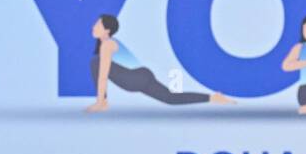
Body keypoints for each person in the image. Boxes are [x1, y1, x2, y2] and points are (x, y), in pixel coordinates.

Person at [87, 14, 234, 111]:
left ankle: (103, 102)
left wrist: (100, 102)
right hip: (140, 76)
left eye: (97, 24)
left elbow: (103, 76)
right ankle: (212, 98)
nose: (93, 26)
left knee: (95, 63)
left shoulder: (108, 45)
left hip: (134, 78)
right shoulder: (106, 44)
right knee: (170, 98)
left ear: (107, 30)